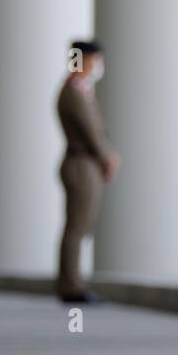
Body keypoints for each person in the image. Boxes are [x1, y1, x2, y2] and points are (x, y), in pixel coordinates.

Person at [55, 40, 118, 304]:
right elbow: (91, 131)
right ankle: (70, 285)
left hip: (84, 163)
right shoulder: (73, 93)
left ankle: (73, 281)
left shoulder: (80, 90)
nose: (97, 66)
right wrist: (107, 157)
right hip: (81, 164)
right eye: (95, 60)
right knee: (77, 226)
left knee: (79, 225)